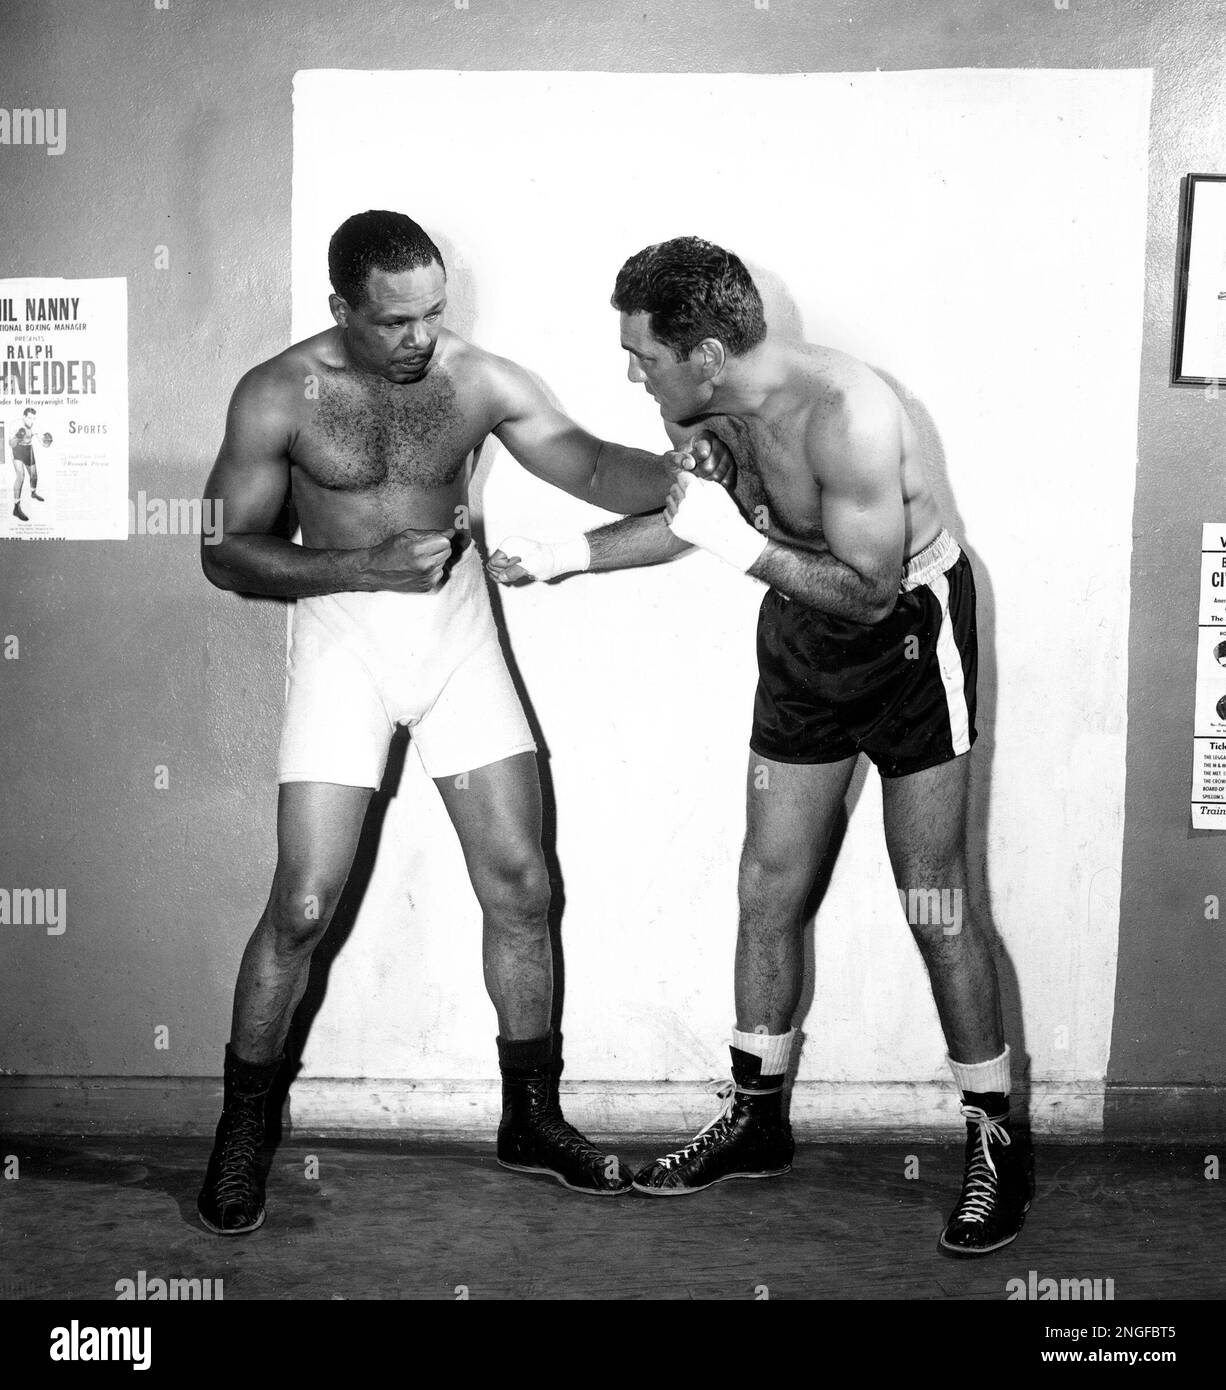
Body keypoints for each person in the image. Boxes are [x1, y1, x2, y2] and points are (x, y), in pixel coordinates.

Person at [489, 236, 1031, 1257]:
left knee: (934, 899)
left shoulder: (850, 414)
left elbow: (867, 590)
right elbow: (692, 521)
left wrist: (739, 544)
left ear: (701, 350)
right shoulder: (716, 410)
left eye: (640, 354)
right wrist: (561, 557)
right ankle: (758, 1116)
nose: (631, 371)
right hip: (798, 631)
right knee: (766, 885)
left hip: (909, 633)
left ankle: (996, 1139)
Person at [196, 210, 728, 1235]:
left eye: (432, 312)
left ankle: (530, 1118)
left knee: (524, 884)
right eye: (393, 320)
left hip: (456, 640)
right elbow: (222, 551)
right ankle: (244, 1127)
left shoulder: (476, 379)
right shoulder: (278, 392)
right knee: (304, 905)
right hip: (346, 642)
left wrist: (676, 477)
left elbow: (579, 460)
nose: (419, 337)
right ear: (340, 309)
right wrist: (362, 565)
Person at [9, 407, 42, 520]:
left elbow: (42, 442)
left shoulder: (34, 426)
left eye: (33, 418)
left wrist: (47, 441)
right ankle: (16, 507)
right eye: (29, 418)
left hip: (28, 450)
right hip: (17, 450)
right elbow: (11, 444)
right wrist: (18, 436)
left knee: (34, 475)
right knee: (20, 476)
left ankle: (33, 493)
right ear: (24, 417)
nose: (31, 421)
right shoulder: (15, 424)